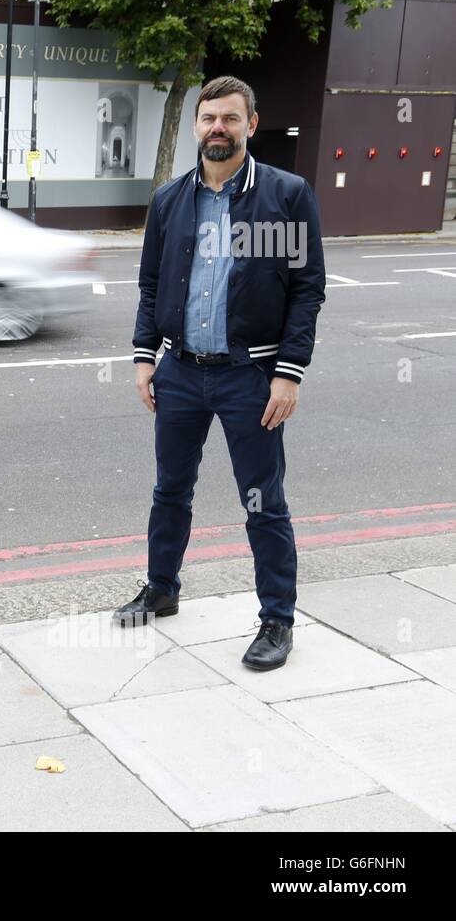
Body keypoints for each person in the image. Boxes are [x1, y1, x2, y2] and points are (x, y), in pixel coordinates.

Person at [117, 75, 326, 671]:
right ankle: (163, 587)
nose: (218, 128)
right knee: (169, 490)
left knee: (263, 502)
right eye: (209, 119)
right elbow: (151, 285)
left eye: (230, 119)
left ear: (250, 125)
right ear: (195, 126)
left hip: (250, 376)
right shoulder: (170, 200)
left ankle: (277, 620)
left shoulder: (285, 196)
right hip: (180, 370)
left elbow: (307, 289)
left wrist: (289, 373)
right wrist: (143, 356)